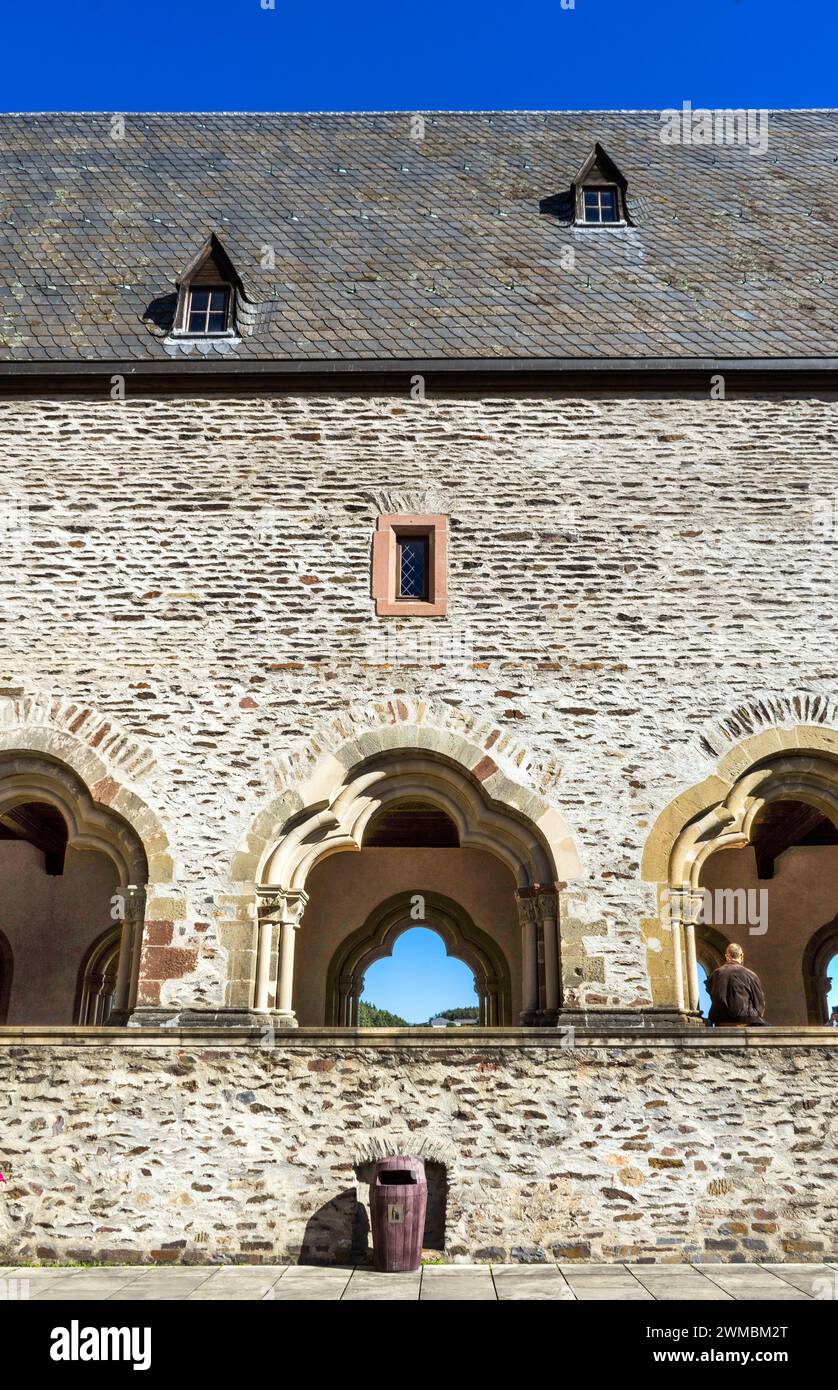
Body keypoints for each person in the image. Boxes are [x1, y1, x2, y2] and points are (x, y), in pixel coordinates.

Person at [706, 944, 768, 1026]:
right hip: (745, 1019)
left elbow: (713, 996)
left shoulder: (714, 975)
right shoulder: (750, 975)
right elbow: (759, 1003)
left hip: (720, 1020)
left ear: (727, 956)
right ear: (742, 955)